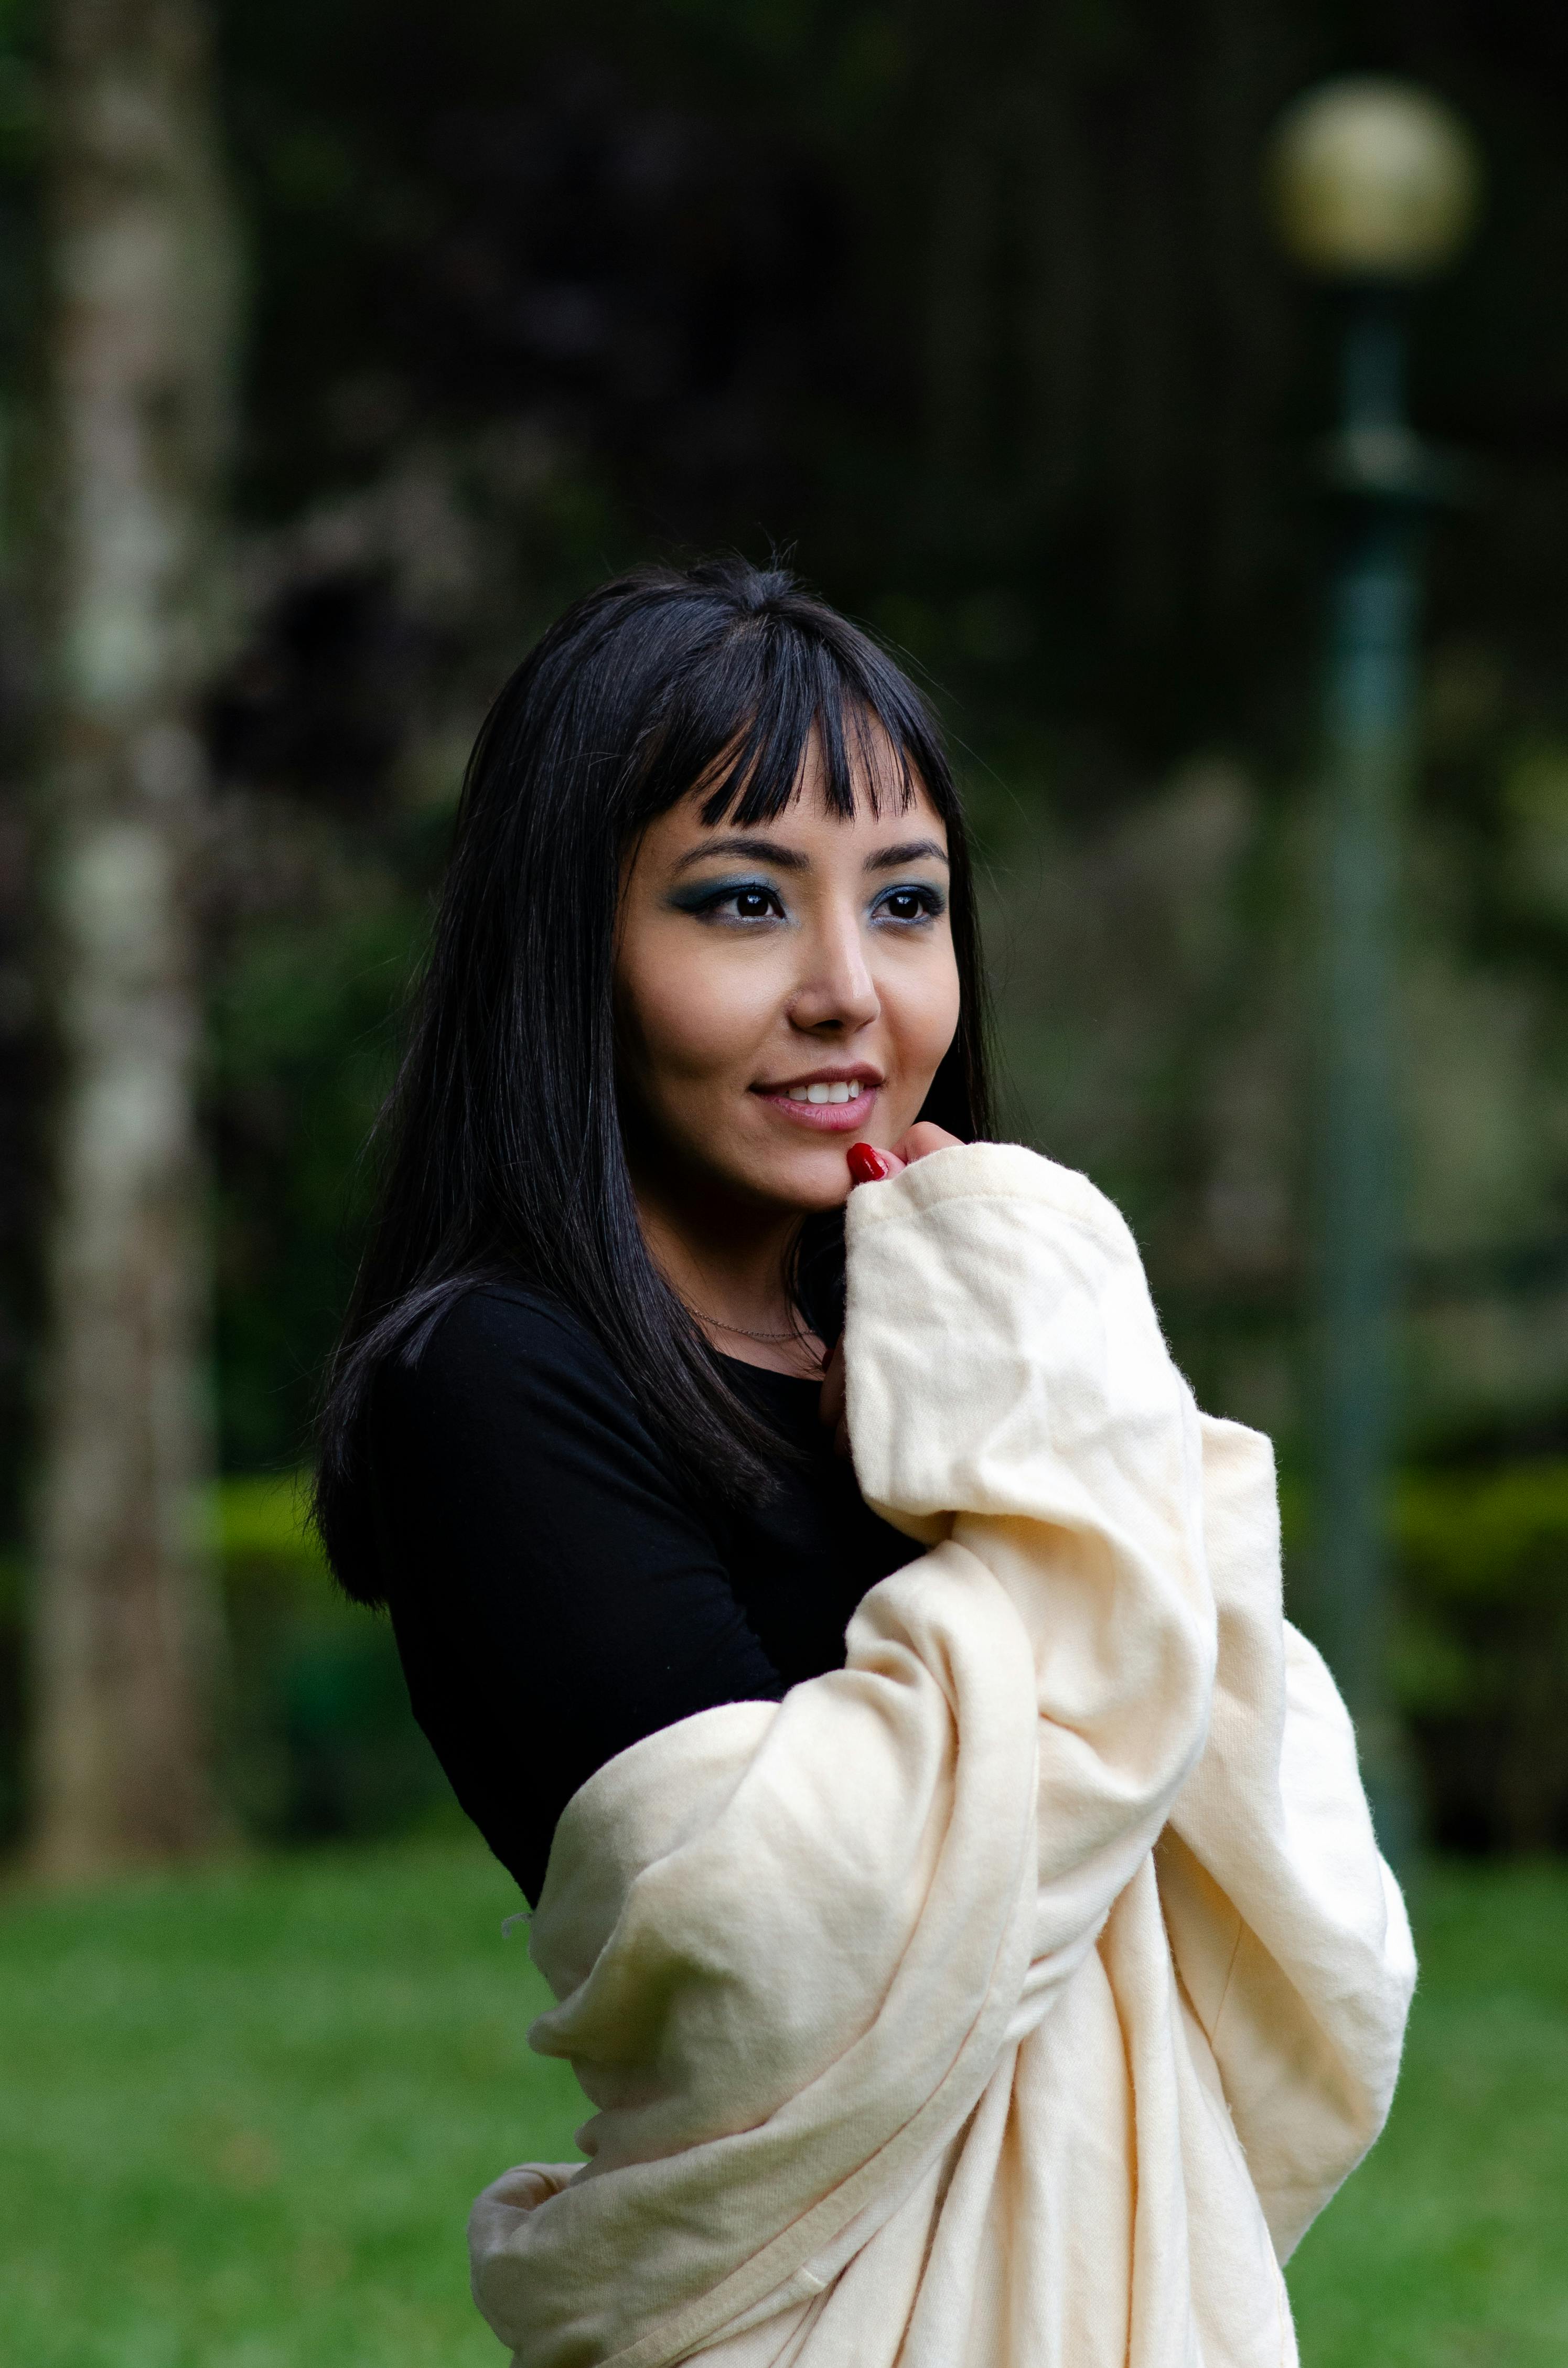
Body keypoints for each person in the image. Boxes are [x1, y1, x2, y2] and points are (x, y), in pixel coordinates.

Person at [315, 557, 1414, 2368]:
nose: (848, 990)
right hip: (801, 2308)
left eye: (905, 903)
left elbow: (1289, 1879)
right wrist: (1058, 1514)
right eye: (743, 903)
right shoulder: (491, 1380)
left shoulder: (961, 1365)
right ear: (565, 942)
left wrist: (1030, 1357)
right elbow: (785, 1954)